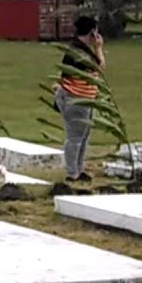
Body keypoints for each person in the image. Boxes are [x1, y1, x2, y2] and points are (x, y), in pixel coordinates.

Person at [54, 16, 105, 182]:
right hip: (75, 98)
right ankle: (72, 173)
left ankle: (79, 169)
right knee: (75, 138)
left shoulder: (82, 48)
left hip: (85, 99)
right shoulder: (78, 51)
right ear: (91, 32)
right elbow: (99, 67)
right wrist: (99, 48)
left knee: (83, 137)